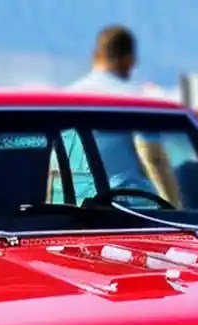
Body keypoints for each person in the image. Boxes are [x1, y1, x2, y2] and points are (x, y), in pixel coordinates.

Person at [68, 24, 179, 206]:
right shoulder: (135, 99)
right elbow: (153, 157)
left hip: (79, 208)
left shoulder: (66, 98)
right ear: (130, 60)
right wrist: (175, 209)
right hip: (132, 207)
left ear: (95, 56)